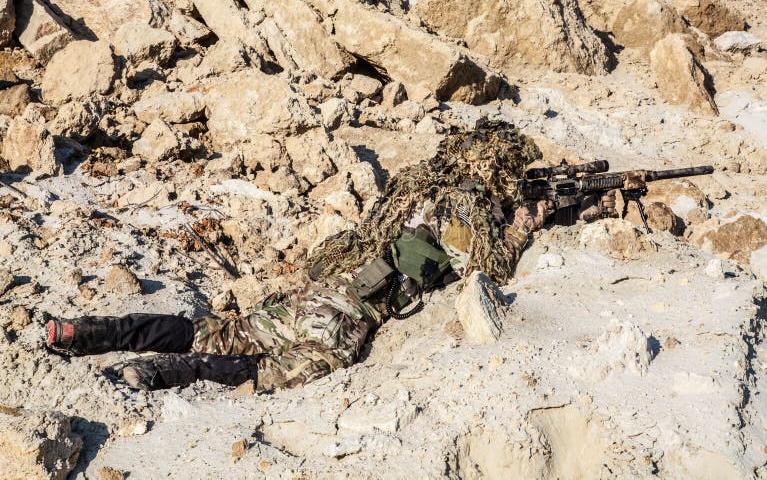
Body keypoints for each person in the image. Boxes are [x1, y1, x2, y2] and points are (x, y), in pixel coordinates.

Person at [45, 120, 614, 392]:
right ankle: (154, 376)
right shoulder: (470, 216)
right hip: (343, 318)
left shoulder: (419, 185)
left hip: (309, 291)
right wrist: (527, 224)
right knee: (266, 371)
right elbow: (487, 269)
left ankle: (85, 332)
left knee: (211, 330)